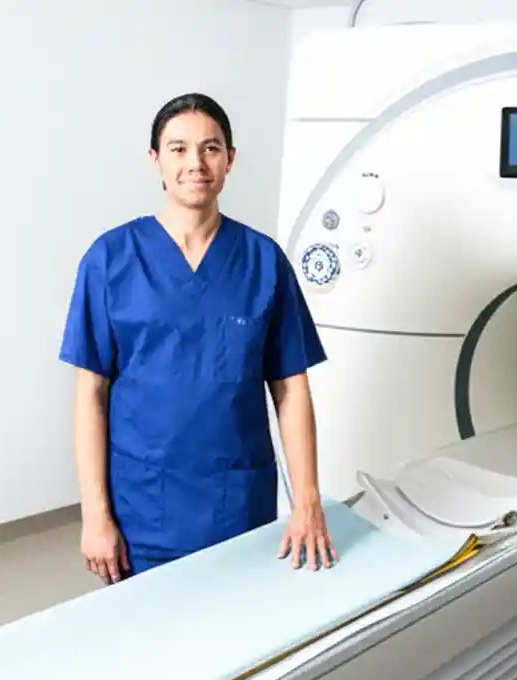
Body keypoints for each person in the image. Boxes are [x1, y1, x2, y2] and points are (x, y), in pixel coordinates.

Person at [58, 92, 335, 584]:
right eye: (179, 149)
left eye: (210, 148)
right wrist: (95, 516)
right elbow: (90, 396)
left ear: (229, 160)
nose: (195, 163)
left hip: (239, 503)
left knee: (241, 638)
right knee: (151, 642)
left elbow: (291, 390)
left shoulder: (263, 261)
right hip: (143, 508)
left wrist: (307, 500)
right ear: (156, 161)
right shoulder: (110, 260)